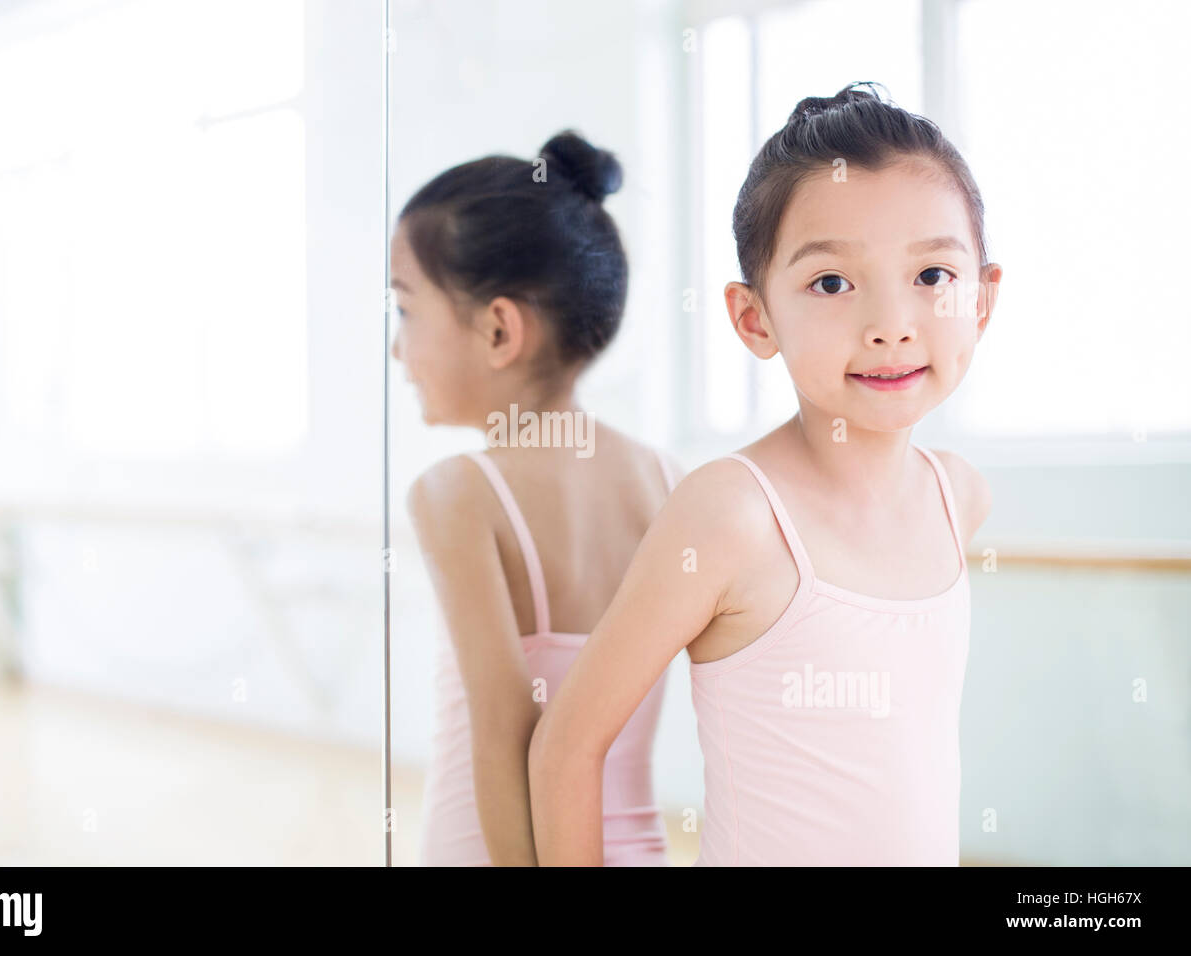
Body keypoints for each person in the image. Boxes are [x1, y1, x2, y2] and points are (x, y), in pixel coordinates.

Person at [530, 83, 1003, 866]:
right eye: (830, 283)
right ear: (755, 319)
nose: (891, 324)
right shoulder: (731, 515)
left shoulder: (960, 497)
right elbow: (566, 749)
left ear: (982, 301)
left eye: (932, 276)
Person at [392, 130, 677, 866]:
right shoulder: (666, 482)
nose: (398, 349)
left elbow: (504, 728)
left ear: (497, 328)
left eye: (406, 309)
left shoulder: (457, 493)